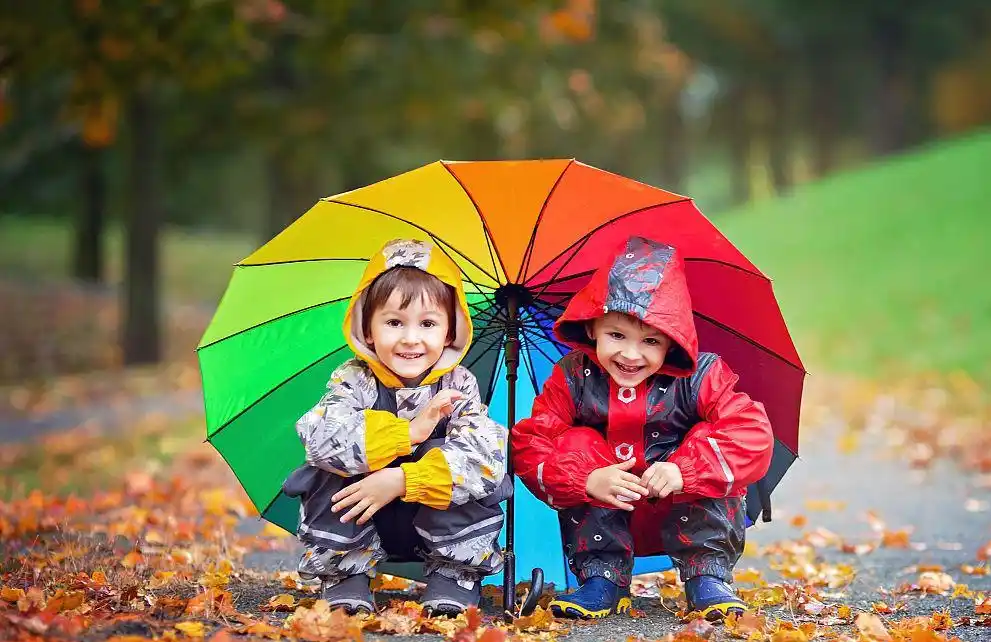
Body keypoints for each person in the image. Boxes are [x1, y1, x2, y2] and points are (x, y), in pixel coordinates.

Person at [510, 234, 773, 621]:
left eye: (651, 341)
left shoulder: (701, 374)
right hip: (606, 510)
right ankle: (602, 577)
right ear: (593, 328)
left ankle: (707, 576)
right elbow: (532, 442)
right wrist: (586, 480)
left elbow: (751, 433)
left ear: (673, 343)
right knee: (574, 440)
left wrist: (684, 470)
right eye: (616, 335)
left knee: (708, 437)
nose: (631, 355)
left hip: (681, 502)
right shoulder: (573, 375)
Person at [281, 237, 510, 617]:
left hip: (434, 515)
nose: (410, 338)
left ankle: (455, 575)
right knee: (327, 466)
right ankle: (346, 572)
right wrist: (408, 434)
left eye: (428, 323)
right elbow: (319, 437)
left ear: (450, 332)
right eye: (393, 322)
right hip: (365, 515)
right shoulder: (353, 380)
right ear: (367, 330)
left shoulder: (458, 385)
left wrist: (403, 479)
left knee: (464, 461)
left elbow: (483, 458)